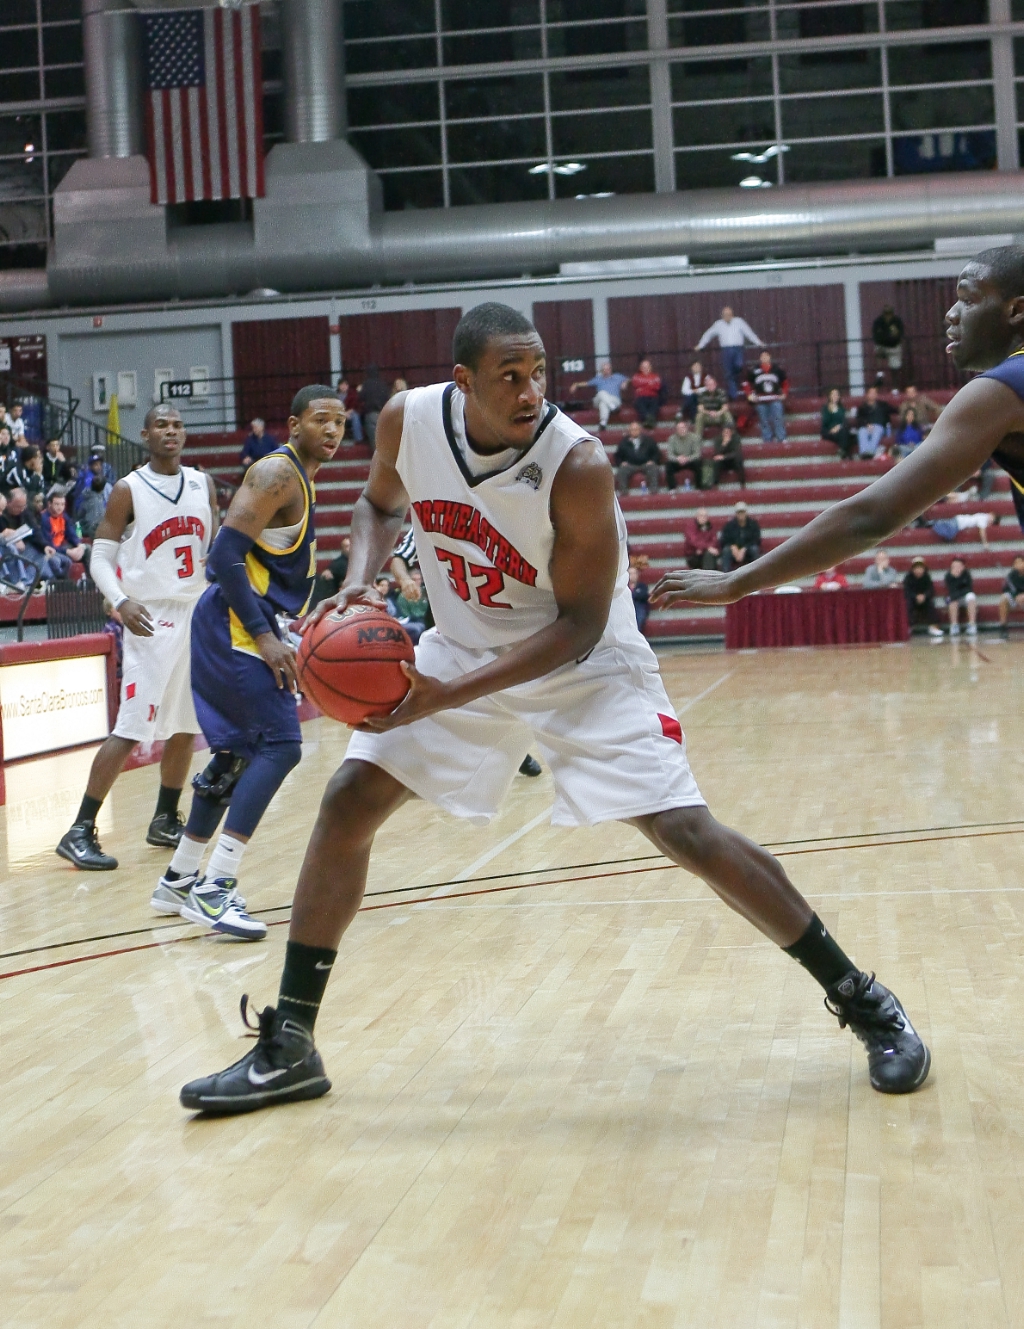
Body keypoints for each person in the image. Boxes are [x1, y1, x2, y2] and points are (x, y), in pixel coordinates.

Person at [178, 300, 928, 1115]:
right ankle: (291, 1042)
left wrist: (442, 694)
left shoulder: (579, 464)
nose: (531, 389)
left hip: (584, 663)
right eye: (510, 375)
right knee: (349, 798)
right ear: (462, 380)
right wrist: (362, 573)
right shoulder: (407, 418)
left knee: (684, 830)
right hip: (463, 644)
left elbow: (578, 625)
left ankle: (864, 1001)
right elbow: (380, 505)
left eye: (538, 372)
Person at [650, 248, 1024, 617]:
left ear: (1016, 310)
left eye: (968, 300)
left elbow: (870, 517)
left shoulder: (1000, 390)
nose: (951, 313)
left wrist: (737, 581)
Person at [153, 386, 344, 939]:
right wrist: (264, 636)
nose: (332, 431)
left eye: (340, 421)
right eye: (321, 420)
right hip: (236, 627)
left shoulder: (301, 479)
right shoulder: (275, 473)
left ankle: (179, 878)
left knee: (237, 753)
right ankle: (216, 887)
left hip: (243, 623)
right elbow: (223, 555)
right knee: (281, 745)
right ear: (293, 424)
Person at [55, 405, 219, 872]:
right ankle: (80, 828)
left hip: (196, 612)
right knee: (131, 728)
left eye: (177, 424)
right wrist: (120, 600)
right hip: (150, 617)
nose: (171, 431)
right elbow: (100, 557)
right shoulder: (128, 489)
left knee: (186, 723)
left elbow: (212, 547)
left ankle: (166, 817)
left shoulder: (202, 483)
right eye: (162, 425)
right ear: (145, 434)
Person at [391, 524, 541, 778]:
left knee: (493, 686)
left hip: (492, 614)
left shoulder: (490, 513)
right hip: (445, 616)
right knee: (440, 685)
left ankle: (512, 748)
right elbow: (399, 558)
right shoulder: (429, 516)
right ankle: (423, 750)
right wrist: (405, 580)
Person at [695, 306, 765, 399]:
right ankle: (734, 395)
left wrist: (758, 342)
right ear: (722, 316)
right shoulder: (718, 324)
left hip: (738, 349)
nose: (727, 316)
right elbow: (709, 334)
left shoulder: (739, 322)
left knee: (739, 365)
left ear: (732, 315)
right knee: (728, 373)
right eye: (725, 315)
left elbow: (749, 333)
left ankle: (736, 380)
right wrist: (700, 345)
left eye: (729, 314)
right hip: (726, 350)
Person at [39, 489, 90, 576]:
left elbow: (71, 534)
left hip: (63, 546)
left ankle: (91, 581)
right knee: (60, 561)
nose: (60, 507)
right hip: (52, 550)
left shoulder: (64, 516)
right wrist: (68, 551)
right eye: (57, 504)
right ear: (49, 504)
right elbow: (49, 544)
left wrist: (79, 545)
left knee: (87, 548)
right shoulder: (44, 519)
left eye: (62, 504)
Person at [569, 362, 629, 429]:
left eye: (608, 369)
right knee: (602, 393)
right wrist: (576, 384)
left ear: (611, 369)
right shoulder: (598, 379)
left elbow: (628, 379)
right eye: (604, 369)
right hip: (600, 398)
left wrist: (625, 382)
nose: (606, 371)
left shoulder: (617, 377)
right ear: (602, 371)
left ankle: (603, 423)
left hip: (614, 400)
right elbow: (586, 383)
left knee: (603, 403)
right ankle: (612, 407)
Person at [746, 352, 788, 443]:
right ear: (760, 358)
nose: (764, 358)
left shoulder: (777, 369)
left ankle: (781, 437)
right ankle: (767, 438)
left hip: (775, 398)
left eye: (766, 356)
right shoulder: (754, 370)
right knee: (763, 419)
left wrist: (784, 393)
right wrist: (749, 395)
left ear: (770, 357)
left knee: (778, 417)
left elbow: (785, 382)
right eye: (762, 356)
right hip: (760, 400)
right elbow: (746, 384)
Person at [613, 420, 660, 494]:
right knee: (622, 470)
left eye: (636, 429)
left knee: (653, 468)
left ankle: (653, 490)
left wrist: (653, 460)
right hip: (630, 464)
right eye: (632, 430)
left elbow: (656, 453)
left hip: (645, 463)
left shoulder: (648, 440)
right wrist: (621, 463)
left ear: (640, 430)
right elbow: (618, 455)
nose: (634, 431)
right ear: (629, 431)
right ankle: (623, 492)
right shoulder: (624, 442)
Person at [902, 557, 943, 638]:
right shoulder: (908, 578)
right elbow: (906, 591)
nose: (918, 570)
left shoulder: (926, 577)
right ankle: (908, 627)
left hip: (925, 599)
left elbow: (931, 590)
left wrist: (924, 596)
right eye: (916, 568)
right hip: (913, 599)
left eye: (920, 568)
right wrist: (915, 596)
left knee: (931, 604)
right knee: (908, 605)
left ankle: (933, 627)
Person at [718, 501, 761, 573]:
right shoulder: (729, 525)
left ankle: (757, 573)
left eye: (742, 512)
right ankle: (725, 575)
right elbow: (724, 540)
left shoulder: (753, 524)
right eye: (739, 512)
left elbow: (756, 540)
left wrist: (744, 548)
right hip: (734, 551)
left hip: (747, 551)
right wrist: (732, 547)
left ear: (746, 512)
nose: (741, 514)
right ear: (736, 513)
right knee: (726, 550)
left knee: (754, 549)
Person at [311, 534, 351, 607]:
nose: (350, 548)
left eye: (351, 546)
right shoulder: (338, 563)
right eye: (347, 546)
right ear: (342, 549)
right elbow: (327, 573)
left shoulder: (359, 561)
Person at [854, 386, 895, 458]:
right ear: (867, 394)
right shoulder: (862, 408)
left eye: (874, 393)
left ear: (876, 395)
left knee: (877, 430)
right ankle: (864, 453)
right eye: (871, 393)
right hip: (866, 427)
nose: (873, 395)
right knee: (861, 431)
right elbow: (859, 419)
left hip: (880, 427)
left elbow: (894, 410)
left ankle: (871, 452)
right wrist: (867, 425)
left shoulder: (883, 405)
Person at [394, 566, 430, 644]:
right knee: (419, 628)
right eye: (414, 579)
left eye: (418, 579)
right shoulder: (403, 596)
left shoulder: (427, 593)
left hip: (428, 620)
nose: (417, 582)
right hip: (412, 620)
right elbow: (404, 614)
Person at [359, 366, 391, 451]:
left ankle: (377, 455)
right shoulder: (383, 384)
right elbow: (387, 397)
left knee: (374, 437)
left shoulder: (366, 384)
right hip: (383, 412)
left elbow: (361, 397)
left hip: (370, 413)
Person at [664, 421, 703, 490]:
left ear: (687, 428)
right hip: (678, 461)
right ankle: (673, 488)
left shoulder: (695, 437)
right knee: (668, 465)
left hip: (690, 460)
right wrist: (677, 458)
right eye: (679, 429)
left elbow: (697, 454)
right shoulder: (672, 438)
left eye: (683, 428)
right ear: (676, 430)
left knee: (698, 463)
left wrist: (687, 458)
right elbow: (669, 455)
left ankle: (699, 486)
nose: (681, 430)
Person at [872, 305, 905, 387]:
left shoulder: (897, 321)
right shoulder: (878, 322)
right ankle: (880, 375)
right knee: (877, 352)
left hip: (894, 346)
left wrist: (892, 337)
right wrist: (887, 338)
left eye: (889, 313)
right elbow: (876, 336)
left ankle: (895, 387)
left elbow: (900, 335)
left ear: (892, 314)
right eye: (886, 313)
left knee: (895, 366)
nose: (887, 316)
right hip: (882, 346)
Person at [944, 556, 977, 637]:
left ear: (963, 567)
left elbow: (969, 589)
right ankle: (954, 625)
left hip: (963, 597)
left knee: (971, 597)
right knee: (952, 600)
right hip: (953, 597)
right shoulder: (948, 576)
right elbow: (951, 591)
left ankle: (972, 625)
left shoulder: (967, 574)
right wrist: (955, 578)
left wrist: (959, 593)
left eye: (958, 566)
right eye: (954, 566)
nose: (956, 568)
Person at [693, 374, 734, 439]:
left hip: (719, 415)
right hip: (707, 416)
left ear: (715, 385)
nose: (710, 386)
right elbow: (700, 408)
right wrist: (709, 412)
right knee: (699, 416)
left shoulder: (721, 393)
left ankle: (731, 436)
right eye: (708, 385)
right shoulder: (702, 394)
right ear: (706, 386)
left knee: (727, 414)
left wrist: (718, 413)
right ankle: (697, 438)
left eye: (712, 384)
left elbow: (725, 407)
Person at [820, 388, 852, 460]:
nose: (835, 396)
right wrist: (830, 412)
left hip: (841, 430)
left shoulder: (841, 408)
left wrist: (839, 427)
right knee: (844, 434)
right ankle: (845, 452)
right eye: (833, 394)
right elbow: (825, 422)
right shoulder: (826, 408)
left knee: (846, 432)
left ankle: (843, 451)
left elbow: (844, 421)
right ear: (830, 396)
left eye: (837, 395)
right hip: (829, 430)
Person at [630, 359, 662, 430]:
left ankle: (648, 420)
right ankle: (649, 419)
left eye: (647, 367)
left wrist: (642, 386)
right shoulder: (636, 376)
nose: (645, 369)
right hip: (641, 397)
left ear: (650, 367)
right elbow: (635, 383)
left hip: (653, 397)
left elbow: (657, 386)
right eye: (643, 367)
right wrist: (650, 384)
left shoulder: (655, 376)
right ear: (640, 368)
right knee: (639, 403)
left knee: (655, 403)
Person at [76, 474, 109, 539]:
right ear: (103, 488)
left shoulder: (87, 496)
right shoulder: (96, 502)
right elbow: (93, 523)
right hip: (89, 533)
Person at [998, 554, 1024, 635]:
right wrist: (1015, 596)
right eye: (1016, 563)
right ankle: (1003, 627)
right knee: (1003, 598)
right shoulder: (1011, 576)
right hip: (1015, 598)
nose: (1019, 565)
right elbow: (1006, 589)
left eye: (1020, 562)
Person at [628, 564, 650, 632]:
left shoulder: (642, 586)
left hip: (638, 607)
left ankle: (635, 633)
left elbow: (643, 596)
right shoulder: (624, 587)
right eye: (630, 573)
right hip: (626, 606)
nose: (633, 575)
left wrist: (631, 595)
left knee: (639, 614)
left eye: (634, 573)